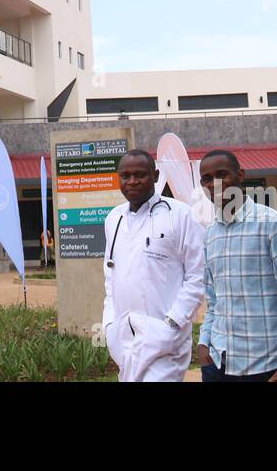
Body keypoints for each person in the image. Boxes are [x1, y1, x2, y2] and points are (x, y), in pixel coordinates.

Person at [197, 150, 277, 382]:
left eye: (222, 174)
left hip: (266, 366)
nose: (215, 184)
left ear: (240, 175)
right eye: (207, 179)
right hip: (218, 365)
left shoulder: (270, 223)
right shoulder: (210, 235)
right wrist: (203, 343)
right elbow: (214, 301)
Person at [101, 149, 205, 382]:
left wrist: (174, 322)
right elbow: (110, 274)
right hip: (124, 338)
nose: (132, 182)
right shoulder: (114, 219)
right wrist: (109, 324)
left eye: (140, 175)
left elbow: (198, 275)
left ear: (156, 176)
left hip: (165, 337)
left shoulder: (181, 215)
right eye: (125, 176)